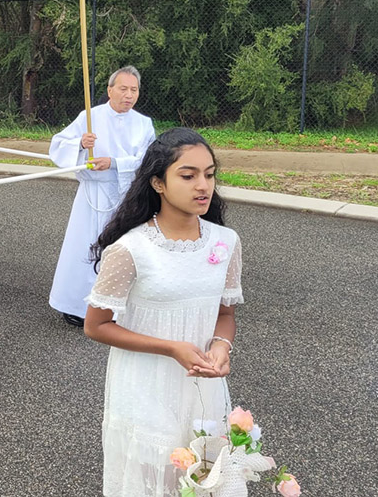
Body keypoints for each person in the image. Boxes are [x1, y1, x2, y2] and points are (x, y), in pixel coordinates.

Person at [84, 128, 241, 496]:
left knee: (203, 474)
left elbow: (225, 314)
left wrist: (221, 347)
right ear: (158, 183)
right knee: (154, 477)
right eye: (188, 176)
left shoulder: (225, 241)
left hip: (202, 383)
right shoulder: (131, 249)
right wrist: (171, 347)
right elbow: (96, 326)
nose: (203, 185)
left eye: (210, 173)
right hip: (146, 385)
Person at [49, 66, 156, 328]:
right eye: (123, 89)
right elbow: (58, 145)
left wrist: (115, 163)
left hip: (126, 195)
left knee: (122, 249)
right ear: (110, 90)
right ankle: (76, 305)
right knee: (85, 246)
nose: (129, 95)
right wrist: (80, 144)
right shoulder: (90, 117)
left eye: (134, 90)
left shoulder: (144, 124)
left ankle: (117, 308)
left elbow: (149, 159)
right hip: (93, 194)